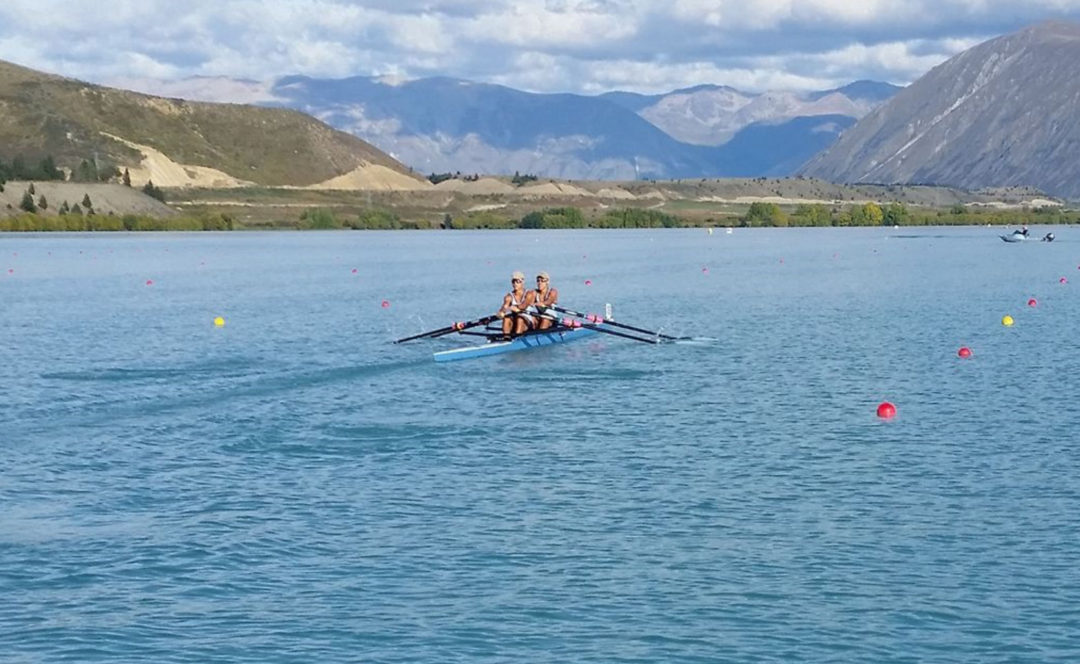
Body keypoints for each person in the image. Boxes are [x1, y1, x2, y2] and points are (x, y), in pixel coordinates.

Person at [496, 271, 535, 339]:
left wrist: (514, 307)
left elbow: (523, 306)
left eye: (517, 281)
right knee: (506, 318)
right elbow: (504, 307)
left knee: (520, 319)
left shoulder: (529, 294)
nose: (515, 284)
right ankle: (506, 338)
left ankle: (517, 339)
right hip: (515, 320)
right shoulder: (508, 296)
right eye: (513, 282)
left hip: (528, 321)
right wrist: (501, 312)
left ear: (522, 282)